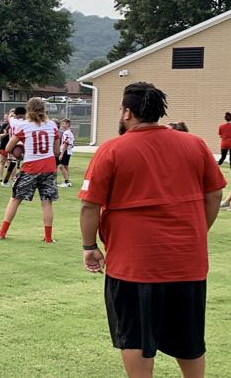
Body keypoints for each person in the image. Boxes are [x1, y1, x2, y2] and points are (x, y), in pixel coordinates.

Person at [78, 82, 224, 378]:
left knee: (133, 337)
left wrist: (88, 246)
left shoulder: (112, 149)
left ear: (127, 112)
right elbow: (215, 195)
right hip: (187, 262)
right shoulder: (193, 143)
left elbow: (90, 206)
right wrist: (197, 231)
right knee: (189, 338)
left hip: (134, 265)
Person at [0, 98, 60, 242]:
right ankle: (48, 237)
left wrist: (21, 150)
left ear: (29, 110)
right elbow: (56, 151)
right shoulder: (52, 125)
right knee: (47, 201)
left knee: (15, 198)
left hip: (31, 167)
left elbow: (8, 148)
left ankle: (2, 232)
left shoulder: (25, 126)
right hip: (49, 167)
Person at [1, 107, 27, 186]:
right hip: (23, 143)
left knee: (12, 162)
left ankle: (6, 180)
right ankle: (19, 178)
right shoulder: (26, 122)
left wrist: (12, 114)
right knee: (25, 162)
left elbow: (10, 117)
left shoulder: (13, 121)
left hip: (13, 143)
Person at [57, 118, 74, 187]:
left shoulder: (67, 133)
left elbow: (66, 144)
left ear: (68, 124)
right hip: (68, 151)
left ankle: (67, 182)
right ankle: (67, 181)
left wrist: (61, 154)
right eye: (62, 123)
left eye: (63, 123)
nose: (62, 125)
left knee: (61, 166)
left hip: (66, 151)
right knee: (65, 166)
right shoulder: (69, 132)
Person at [0, 111, 12, 183]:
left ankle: (10, 178)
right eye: (5, 117)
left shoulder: (14, 125)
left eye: (7, 117)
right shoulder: (4, 125)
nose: (5, 118)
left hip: (12, 146)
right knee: (2, 162)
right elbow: (0, 135)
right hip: (4, 145)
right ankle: (0, 178)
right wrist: (5, 134)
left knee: (10, 162)